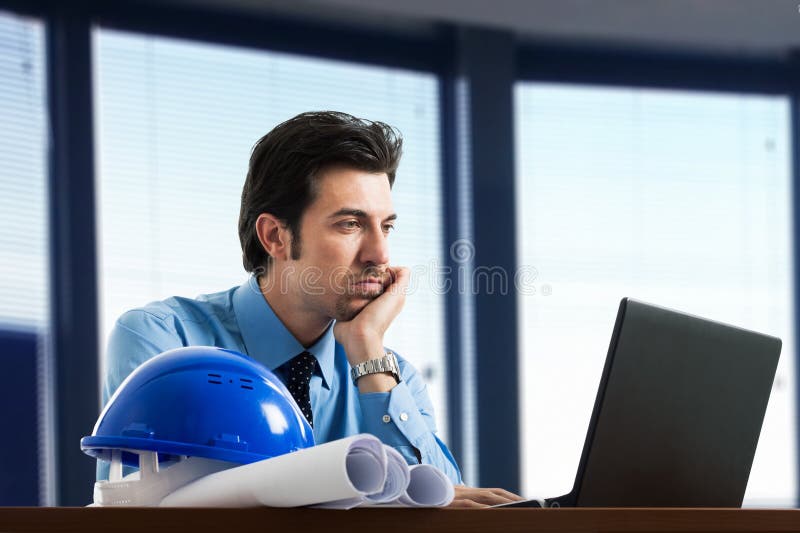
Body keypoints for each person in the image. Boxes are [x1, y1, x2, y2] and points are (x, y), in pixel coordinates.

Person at [102, 111, 523, 508]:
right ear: (275, 236)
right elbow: (155, 513)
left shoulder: (387, 376)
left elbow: (445, 506)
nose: (380, 253)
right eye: (350, 224)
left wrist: (368, 349)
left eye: (386, 226)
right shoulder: (163, 342)